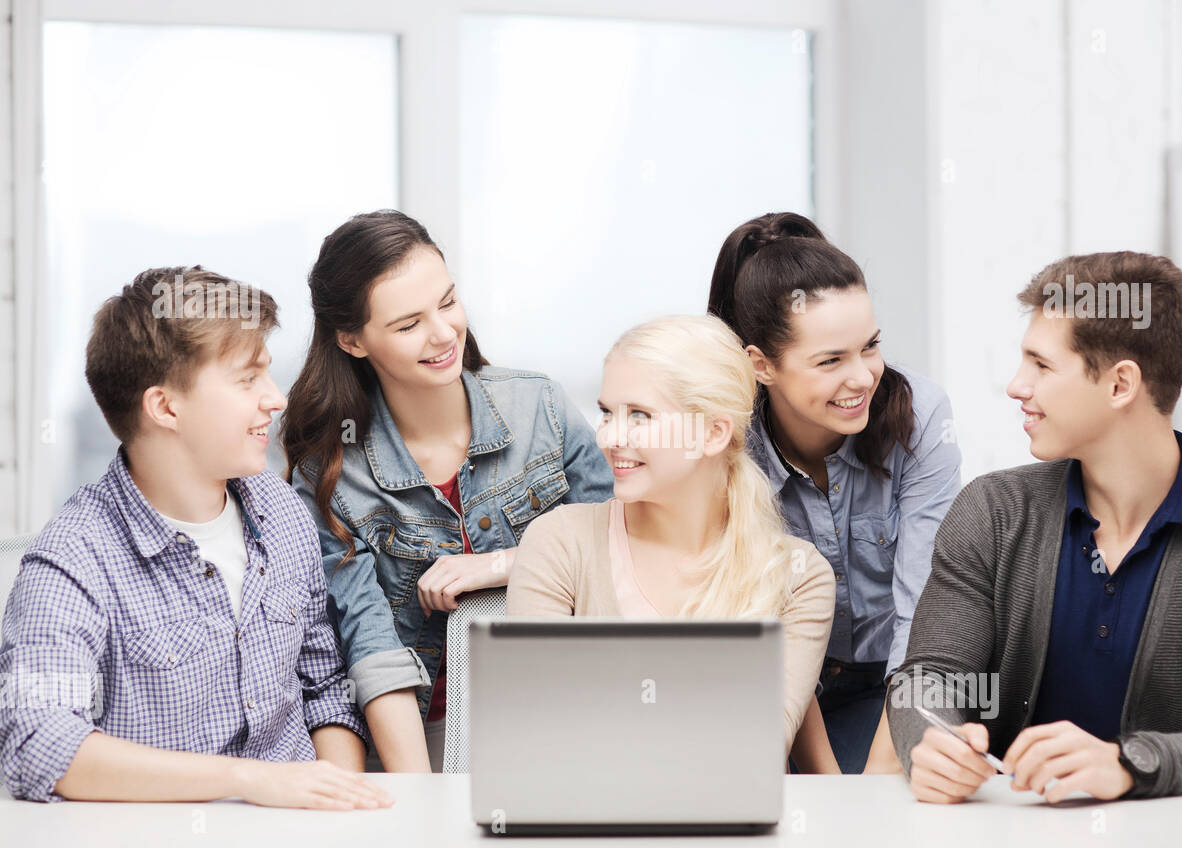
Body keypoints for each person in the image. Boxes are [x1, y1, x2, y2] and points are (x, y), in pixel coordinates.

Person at [888, 251, 1182, 803]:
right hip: (1005, 836)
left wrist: (1132, 764)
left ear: (1120, 384)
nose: (1016, 386)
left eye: (1041, 365)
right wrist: (934, 738)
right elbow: (926, 677)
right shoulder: (992, 512)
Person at [0, 267, 386, 809]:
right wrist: (248, 780)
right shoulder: (73, 558)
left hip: (300, 838)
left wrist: (335, 801)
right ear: (165, 407)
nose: (275, 399)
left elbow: (325, 691)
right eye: (247, 379)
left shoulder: (282, 511)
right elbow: (38, 744)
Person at [282, 210, 613, 772]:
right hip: (417, 734)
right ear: (353, 341)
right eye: (408, 324)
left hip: (564, 711)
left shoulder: (542, 408)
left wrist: (501, 564)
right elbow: (371, 645)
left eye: (448, 302)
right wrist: (419, 796)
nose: (442, 334)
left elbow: (620, 545)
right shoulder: (331, 474)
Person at [507, 315, 836, 764]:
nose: (609, 437)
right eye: (608, 413)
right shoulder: (559, 542)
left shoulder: (799, 576)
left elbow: (756, 753)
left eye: (639, 415)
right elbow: (536, 733)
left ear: (713, 433)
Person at [708, 212, 962, 774]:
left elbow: (925, 611)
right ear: (761, 364)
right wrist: (832, 786)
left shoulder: (921, 417)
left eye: (870, 347)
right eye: (830, 361)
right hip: (782, 688)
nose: (863, 377)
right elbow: (758, 628)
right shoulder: (727, 443)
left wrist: (880, 771)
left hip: (896, 680)